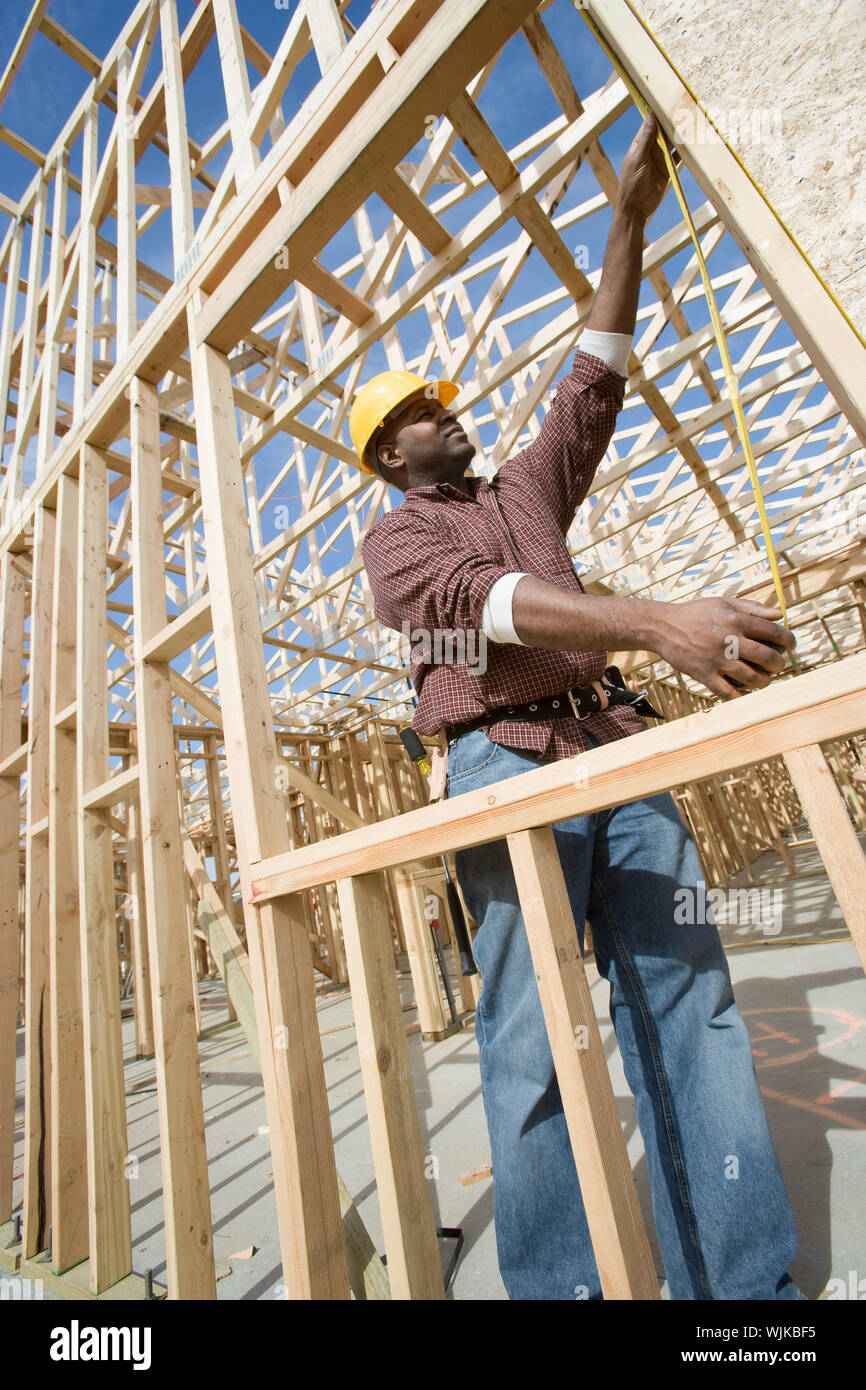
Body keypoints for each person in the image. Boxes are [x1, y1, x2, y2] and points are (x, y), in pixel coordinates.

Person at [352, 113, 806, 1300]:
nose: (447, 410)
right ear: (385, 452)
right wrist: (654, 618)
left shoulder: (526, 489)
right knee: (530, 1037)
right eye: (421, 408)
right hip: (505, 768)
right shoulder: (396, 543)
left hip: (616, 749)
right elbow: (476, 610)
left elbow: (591, 373)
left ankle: (737, 1295)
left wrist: (625, 217)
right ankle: (556, 1289)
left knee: (688, 1001)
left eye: (444, 400)